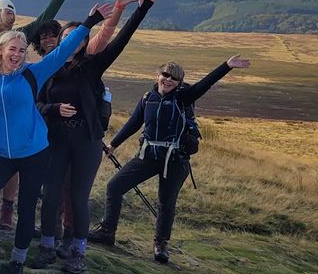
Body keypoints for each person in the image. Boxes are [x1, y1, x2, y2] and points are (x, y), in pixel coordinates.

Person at [0, 3, 110, 274]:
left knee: (26, 209)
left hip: (33, 153)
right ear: (0, 50)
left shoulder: (32, 74)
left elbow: (64, 51)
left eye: (21, 50)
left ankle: (18, 260)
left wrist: (90, 20)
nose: (17, 54)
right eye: (12, 49)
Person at [34, 0, 156, 274]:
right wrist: (52, 109)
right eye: (65, 36)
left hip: (87, 141)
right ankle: (47, 247)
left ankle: (77, 251)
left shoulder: (91, 67)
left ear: (83, 41)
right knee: (50, 195)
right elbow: (35, 104)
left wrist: (141, 9)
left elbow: (121, 40)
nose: (70, 40)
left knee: (77, 196)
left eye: (76, 37)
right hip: (55, 139)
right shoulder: (46, 69)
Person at [90, 53, 251, 262]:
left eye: (174, 78)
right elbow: (133, 123)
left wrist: (226, 66)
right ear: (157, 75)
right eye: (165, 75)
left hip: (175, 160)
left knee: (166, 203)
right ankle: (106, 232)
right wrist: (113, 144)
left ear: (179, 83)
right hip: (148, 156)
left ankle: (160, 244)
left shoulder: (183, 98)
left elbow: (204, 85)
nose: (168, 80)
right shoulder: (148, 98)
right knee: (114, 186)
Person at [0, 0, 67, 229]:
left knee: (14, 158)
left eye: (12, 11)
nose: (9, 15)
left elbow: (42, 19)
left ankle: (7, 205)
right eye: (4, 10)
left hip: (17, 107)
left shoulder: (20, 36)